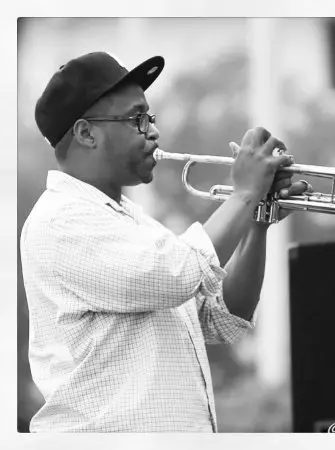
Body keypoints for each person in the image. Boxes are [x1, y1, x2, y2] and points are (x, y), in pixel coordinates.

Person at [20, 52, 309, 432]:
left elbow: (221, 320)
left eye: (150, 118)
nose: (153, 132)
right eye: (136, 119)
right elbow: (176, 276)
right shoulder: (62, 219)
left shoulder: (130, 221)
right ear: (86, 133)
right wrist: (243, 194)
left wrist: (256, 221)